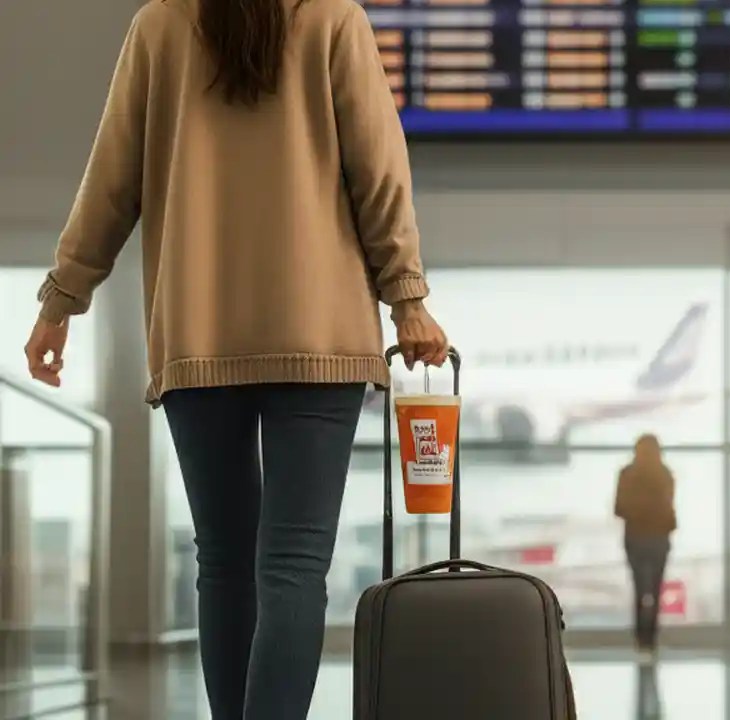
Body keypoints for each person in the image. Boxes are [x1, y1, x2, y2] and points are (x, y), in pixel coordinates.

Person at [22, 0, 446, 717]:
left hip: (199, 332)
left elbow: (111, 179)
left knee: (222, 563)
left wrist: (61, 300)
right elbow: (378, 170)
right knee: (293, 568)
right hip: (322, 338)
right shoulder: (333, 18)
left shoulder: (160, 25)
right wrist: (406, 298)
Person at [614, 434, 677, 659]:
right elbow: (669, 506)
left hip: (635, 537)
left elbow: (618, 508)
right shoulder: (665, 474)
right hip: (658, 538)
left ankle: (642, 641)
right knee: (655, 590)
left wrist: (638, 512)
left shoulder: (627, 474)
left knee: (640, 589)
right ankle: (650, 641)